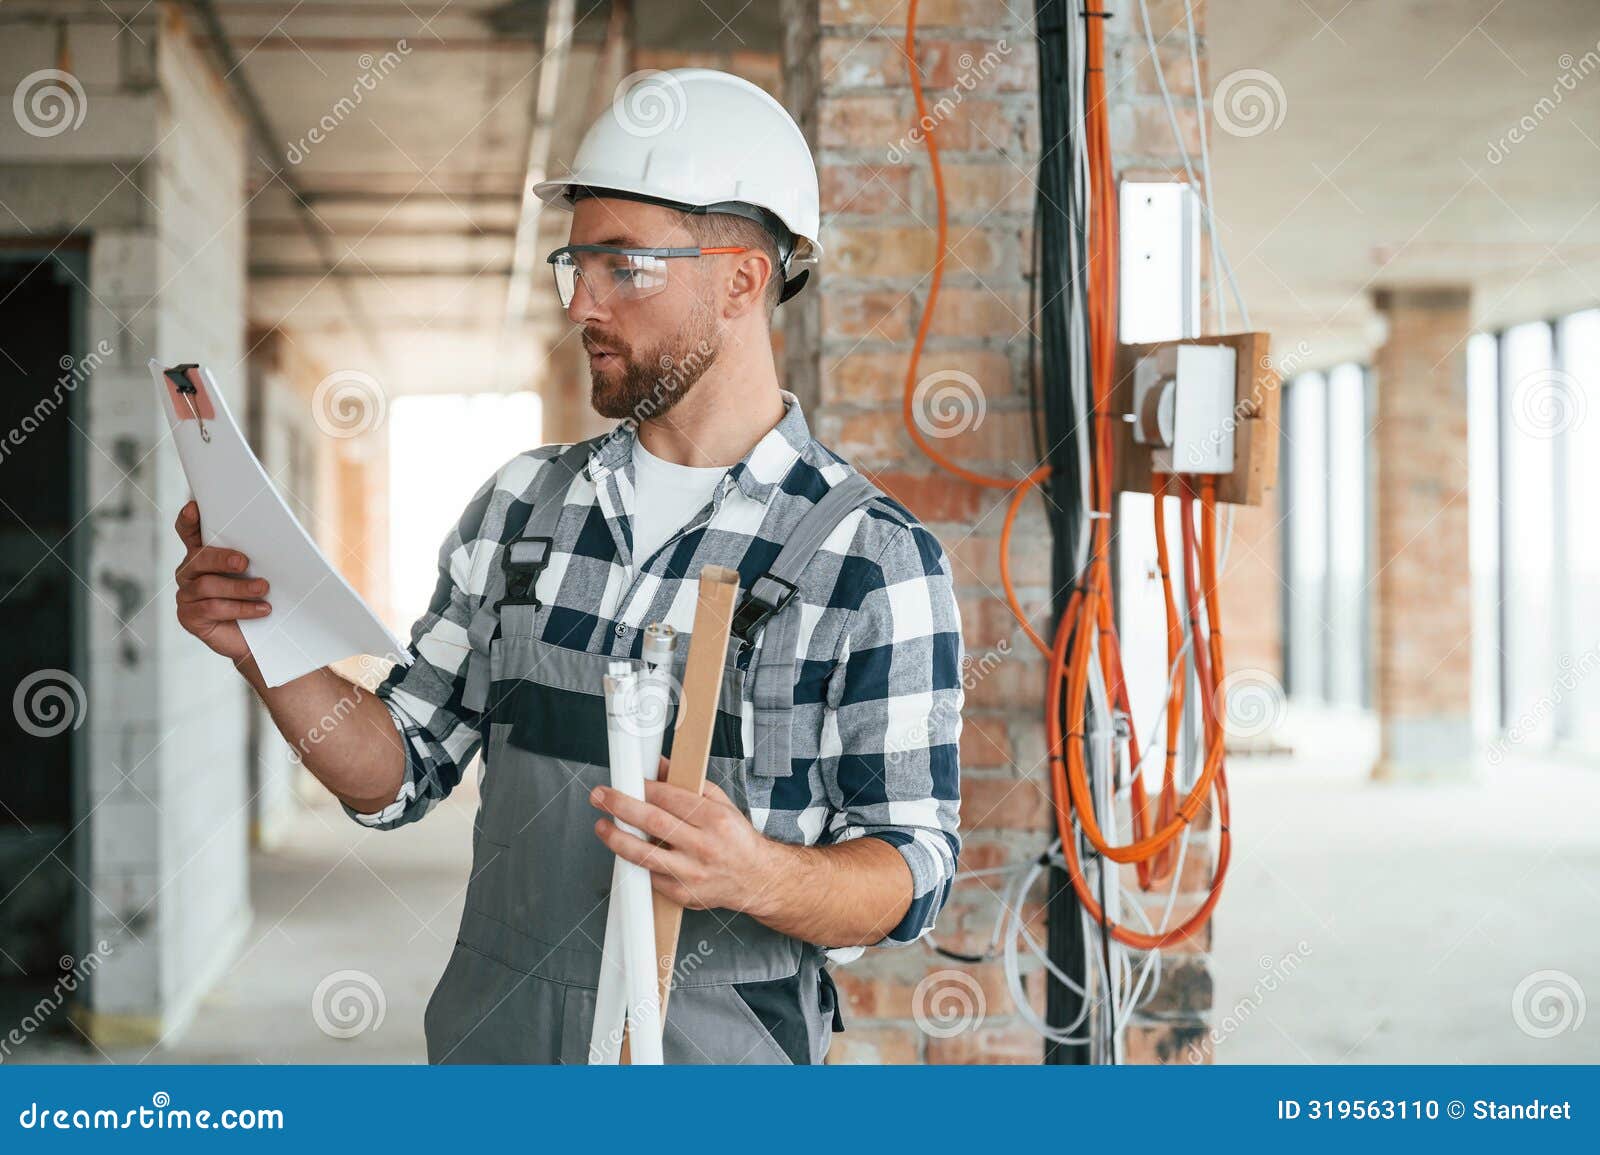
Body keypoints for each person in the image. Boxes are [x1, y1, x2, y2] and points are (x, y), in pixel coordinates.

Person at [173, 69, 963, 1064]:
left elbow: (914, 866)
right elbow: (398, 773)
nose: (582, 303)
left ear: (741, 280)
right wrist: (265, 644)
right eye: (575, 265)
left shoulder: (869, 559)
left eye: (621, 265)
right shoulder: (522, 508)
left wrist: (753, 871)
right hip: (497, 1048)